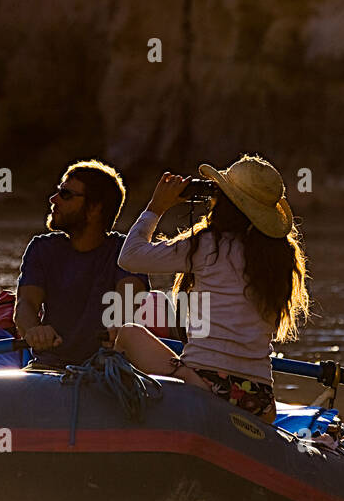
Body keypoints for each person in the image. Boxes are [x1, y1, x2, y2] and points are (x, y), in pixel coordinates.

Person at [111, 155, 309, 423]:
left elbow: (130, 257)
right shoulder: (283, 256)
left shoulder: (209, 245)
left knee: (128, 333)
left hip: (205, 387)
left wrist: (156, 208)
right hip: (260, 401)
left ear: (227, 203)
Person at [10, 159, 150, 367]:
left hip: (107, 368)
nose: (53, 199)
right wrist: (33, 330)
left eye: (65, 195)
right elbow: (26, 304)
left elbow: (128, 302)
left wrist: (117, 326)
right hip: (49, 367)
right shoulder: (41, 248)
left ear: (94, 208)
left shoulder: (125, 252)